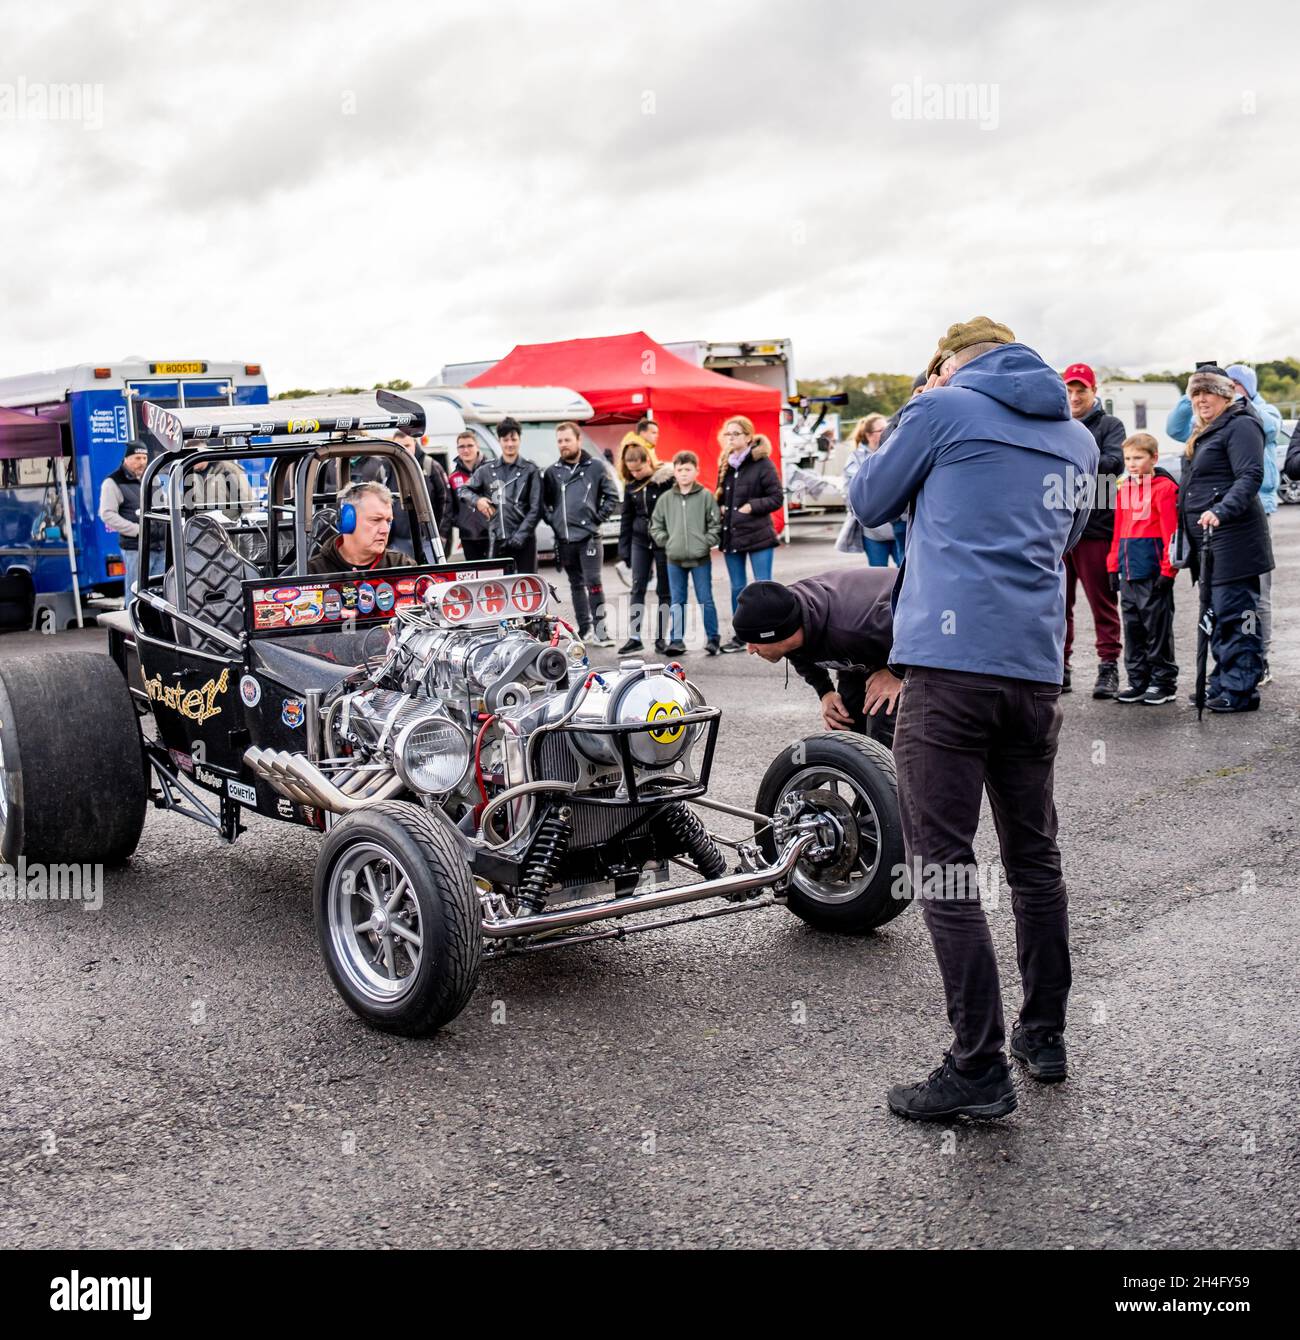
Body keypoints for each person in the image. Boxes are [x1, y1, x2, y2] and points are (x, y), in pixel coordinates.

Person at [851, 317, 1098, 1122]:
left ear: (954, 361)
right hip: (1033, 666)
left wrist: (914, 412)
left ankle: (977, 1064)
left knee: (944, 866)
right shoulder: (1079, 438)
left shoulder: (943, 409)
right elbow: (1063, 536)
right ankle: (1045, 1034)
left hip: (950, 672)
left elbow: (868, 500)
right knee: (1034, 857)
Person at [1168, 364, 1281, 684]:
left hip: (1234, 539)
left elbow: (1250, 476)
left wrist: (1221, 510)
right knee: (1216, 614)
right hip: (1209, 542)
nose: (1202, 400)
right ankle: (1223, 680)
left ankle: (1241, 685)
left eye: (1209, 392)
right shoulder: (1207, 429)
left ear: (1226, 393)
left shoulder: (1242, 424)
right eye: (1196, 393)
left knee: (1236, 614)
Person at [732, 567, 901, 747]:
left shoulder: (854, 628)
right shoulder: (786, 618)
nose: (750, 650)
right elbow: (797, 653)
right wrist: (826, 692)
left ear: (778, 635)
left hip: (906, 632)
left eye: (753, 641)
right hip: (863, 651)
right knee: (845, 724)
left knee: (883, 724)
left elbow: (922, 626)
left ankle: (894, 773)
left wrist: (896, 673)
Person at [1059, 363, 1125, 697]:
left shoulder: (1110, 425)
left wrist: (1075, 454)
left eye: (1080, 390)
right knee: (1058, 604)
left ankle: (1108, 666)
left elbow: (1115, 464)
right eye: (1069, 390)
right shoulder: (1055, 423)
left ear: (1093, 392)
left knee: (1103, 602)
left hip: (1096, 526)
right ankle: (1062, 667)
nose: (1074, 396)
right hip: (1058, 526)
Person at [1107, 433, 1180, 704]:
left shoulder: (1164, 489)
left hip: (1152, 571)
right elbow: (1118, 530)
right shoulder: (1124, 487)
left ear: (1154, 458)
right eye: (1128, 459)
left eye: (1138, 458)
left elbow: (1170, 534)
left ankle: (1163, 682)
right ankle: (1138, 681)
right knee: (1133, 627)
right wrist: (1113, 565)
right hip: (1128, 570)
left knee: (1157, 628)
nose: (1132, 463)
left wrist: (1167, 570)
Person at [542, 421, 619, 647]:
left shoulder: (596, 467)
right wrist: (555, 522)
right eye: (560, 441)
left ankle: (601, 631)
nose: (563, 445)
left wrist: (596, 518)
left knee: (593, 582)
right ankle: (584, 629)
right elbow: (544, 505)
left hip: (589, 538)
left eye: (567, 440)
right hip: (565, 540)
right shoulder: (552, 472)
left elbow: (612, 497)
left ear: (578, 440)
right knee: (575, 584)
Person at [715, 415, 783, 652]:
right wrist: (720, 505)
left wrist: (751, 506)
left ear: (748, 437)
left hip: (758, 535)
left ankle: (771, 632)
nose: (731, 438)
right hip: (732, 534)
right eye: (728, 434)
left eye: (735, 434)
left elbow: (776, 497)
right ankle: (741, 635)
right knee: (737, 588)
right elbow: (721, 495)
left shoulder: (762, 463)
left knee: (763, 585)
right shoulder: (725, 463)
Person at [649, 450, 721, 656]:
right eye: (679, 470)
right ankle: (677, 641)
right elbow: (656, 526)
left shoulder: (706, 496)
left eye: (688, 469)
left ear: (696, 471)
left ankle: (713, 638)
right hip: (674, 559)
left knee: (705, 598)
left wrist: (705, 543)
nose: (684, 474)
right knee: (677, 600)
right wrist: (668, 542)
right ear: (675, 472)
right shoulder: (666, 499)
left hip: (700, 559)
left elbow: (715, 525)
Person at [462, 416, 543, 573]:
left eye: (513, 439)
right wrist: (477, 501)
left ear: (519, 440)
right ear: (499, 440)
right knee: (498, 590)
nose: (510, 444)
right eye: (505, 440)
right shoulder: (487, 470)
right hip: (496, 540)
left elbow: (537, 508)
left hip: (525, 542)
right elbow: (463, 490)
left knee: (527, 589)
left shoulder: (530, 470)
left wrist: (520, 537)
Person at [617, 440, 673, 654]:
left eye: (639, 469)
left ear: (648, 461)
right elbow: (626, 517)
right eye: (631, 470)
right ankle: (635, 636)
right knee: (637, 587)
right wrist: (624, 550)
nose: (636, 474)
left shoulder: (665, 480)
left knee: (663, 591)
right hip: (639, 540)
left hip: (662, 540)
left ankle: (661, 638)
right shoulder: (631, 485)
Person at [308, 480, 415, 574]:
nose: (385, 530)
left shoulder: (403, 565)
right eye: (375, 520)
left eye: (388, 521)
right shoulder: (314, 572)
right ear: (347, 521)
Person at [99, 440, 164, 594]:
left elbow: (162, 507)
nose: (142, 462)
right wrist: (137, 530)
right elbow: (107, 514)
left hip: (160, 546)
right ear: (127, 459)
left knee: (160, 593)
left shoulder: (152, 478)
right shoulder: (113, 482)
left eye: (144, 458)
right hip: (136, 548)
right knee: (136, 592)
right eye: (137, 458)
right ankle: (132, 618)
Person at [841, 413, 905, 565]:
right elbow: (851, 492)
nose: (888, 431)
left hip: (901, 525)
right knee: (878, 578)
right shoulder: (856, 458)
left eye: (888, 427)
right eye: (882, 429)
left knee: (904, 575)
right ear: (869, 435)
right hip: (874, 531)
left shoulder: (896, 452)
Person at [446, 430, 492, 559]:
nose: (466, 450)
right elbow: (450, 508)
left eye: (470, 445)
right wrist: (461, 522)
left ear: (477, 447)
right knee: (475, 574)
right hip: (467, 536)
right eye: (461, 446)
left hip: (491, 534)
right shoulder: (453, 477)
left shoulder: (490, 470)